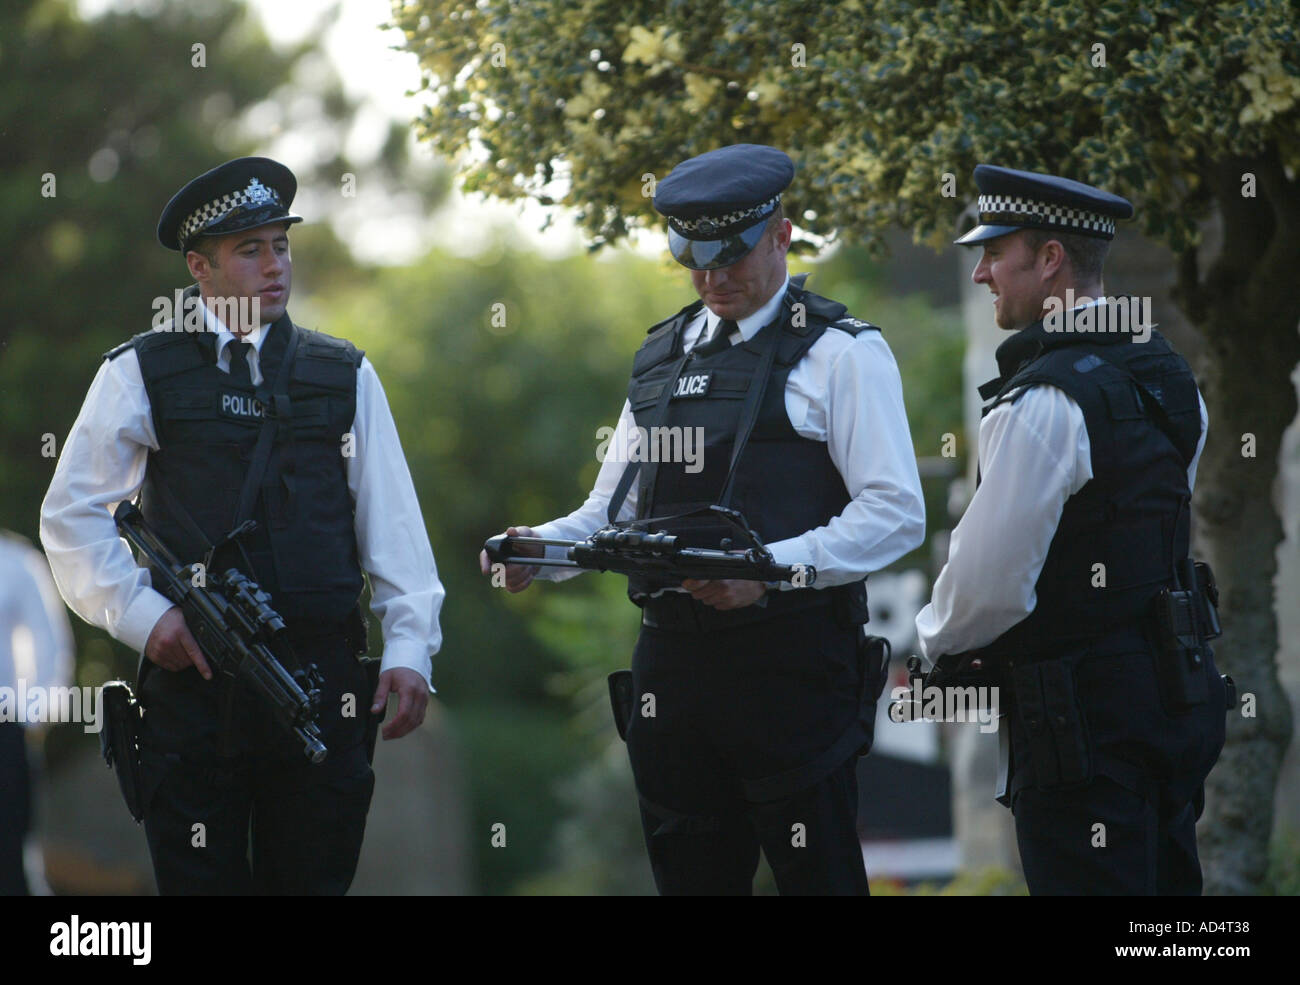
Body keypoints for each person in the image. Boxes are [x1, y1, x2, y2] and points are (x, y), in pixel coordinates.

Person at [481, 144, 925, 895]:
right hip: (675, 677)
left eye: (732, 258)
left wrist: (768, 573)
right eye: (696, 260)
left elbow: (895, 514)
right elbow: (607, 512)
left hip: (792, 671)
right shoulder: (661, 357)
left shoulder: (843, 353)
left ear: (782, 233)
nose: (713, 279)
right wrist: (535, 550)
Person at [40, 157, 444, 895]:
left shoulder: (343, 373)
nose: (273, 265)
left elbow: (394, 530)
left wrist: (411, 647)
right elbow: (72, 518)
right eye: (249, 250)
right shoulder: (141, 372)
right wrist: (142, 617)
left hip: (321, 683)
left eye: (280, 245)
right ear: (200, 267)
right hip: (193, 687)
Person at [915, 164, 1227, 894]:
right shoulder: (1169, 375)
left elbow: (989, 589)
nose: (982, 275)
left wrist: (932, 644)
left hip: (1081, 728)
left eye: (996, 255)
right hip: (1174, 701)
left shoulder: (1043, 402)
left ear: (1050, 258)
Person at [0, 532, 75, 895]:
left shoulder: (16, 561)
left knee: (11, 857)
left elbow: (52, 646)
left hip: (5, 730)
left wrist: (33, 720)